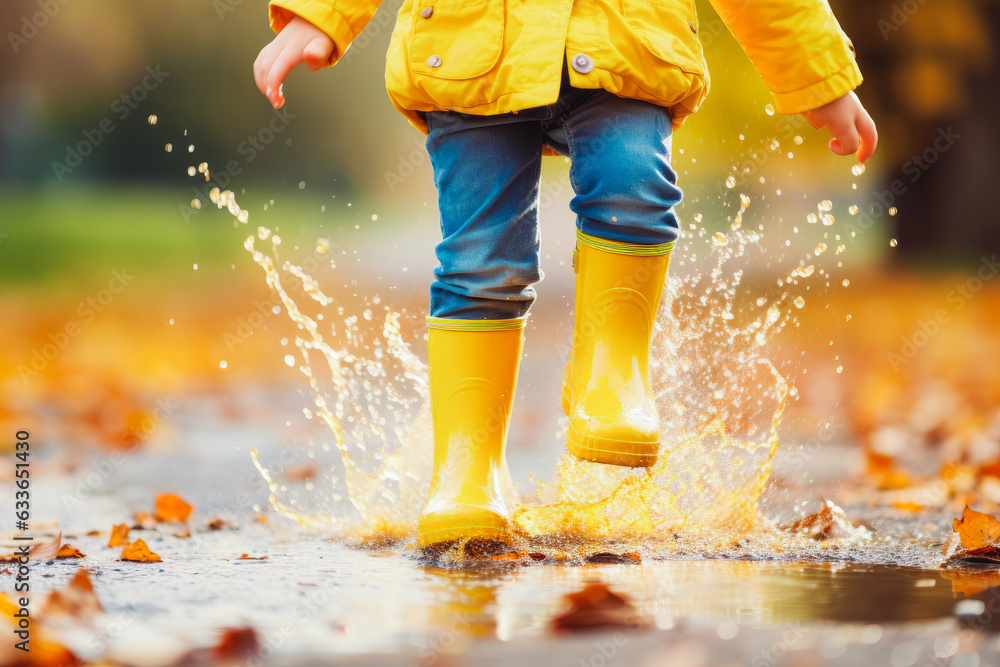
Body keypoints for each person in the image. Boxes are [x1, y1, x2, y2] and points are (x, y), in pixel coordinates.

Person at [253, 0, 878, 547]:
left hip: (625, 45)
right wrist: (319, 14)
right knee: (481, 262)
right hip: (472, 54)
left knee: (635, 190)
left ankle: (610, 375)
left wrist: (816, 71)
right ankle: (468, 471)